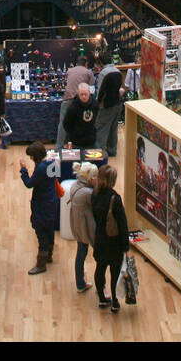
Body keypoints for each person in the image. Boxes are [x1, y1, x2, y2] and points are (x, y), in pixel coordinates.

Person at [90, 164, 129, 312]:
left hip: (100, 238)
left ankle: (101, 298)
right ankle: (114, 301)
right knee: (114, 272)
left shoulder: (94, 195)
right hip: (114, 242)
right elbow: (123, 224)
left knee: (100, 268)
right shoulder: (115, 199)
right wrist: (125, 246)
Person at [18, 141, 59, 275]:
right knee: (49, 229)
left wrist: (23, 169)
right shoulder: (53, 163)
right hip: (52, 201)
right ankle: (49, 255)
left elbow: (29, 183)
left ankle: (41, 263)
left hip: (41, 204)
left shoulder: (40, 168)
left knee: (41, 232)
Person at [67, 162, 98, 294]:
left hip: (78, 226)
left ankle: (80, 283)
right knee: (99, 257)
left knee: (80, 254)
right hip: (88, 227)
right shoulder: (87, 192)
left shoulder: (76, 186)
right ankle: (100, 286)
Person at [94, 56, 124, 156]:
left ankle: (99, 152)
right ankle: (112, 150)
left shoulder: (103, 73)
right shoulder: (118, 71)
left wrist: (97, 103)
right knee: (113, 129)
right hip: (117, 104)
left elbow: (101, 90)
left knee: (101, 128)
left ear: (101, 63)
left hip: (106, 105)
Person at [63, 81, 99, 149]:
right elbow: (66, 124)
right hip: (77, 142)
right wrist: (75, 134)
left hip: (91, 140)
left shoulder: (95, 104)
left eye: (86, 94)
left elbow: (97, 118)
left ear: (89, 93)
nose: (84, 96)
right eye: (81, 94)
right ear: (78, 94)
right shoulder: (72, 108)